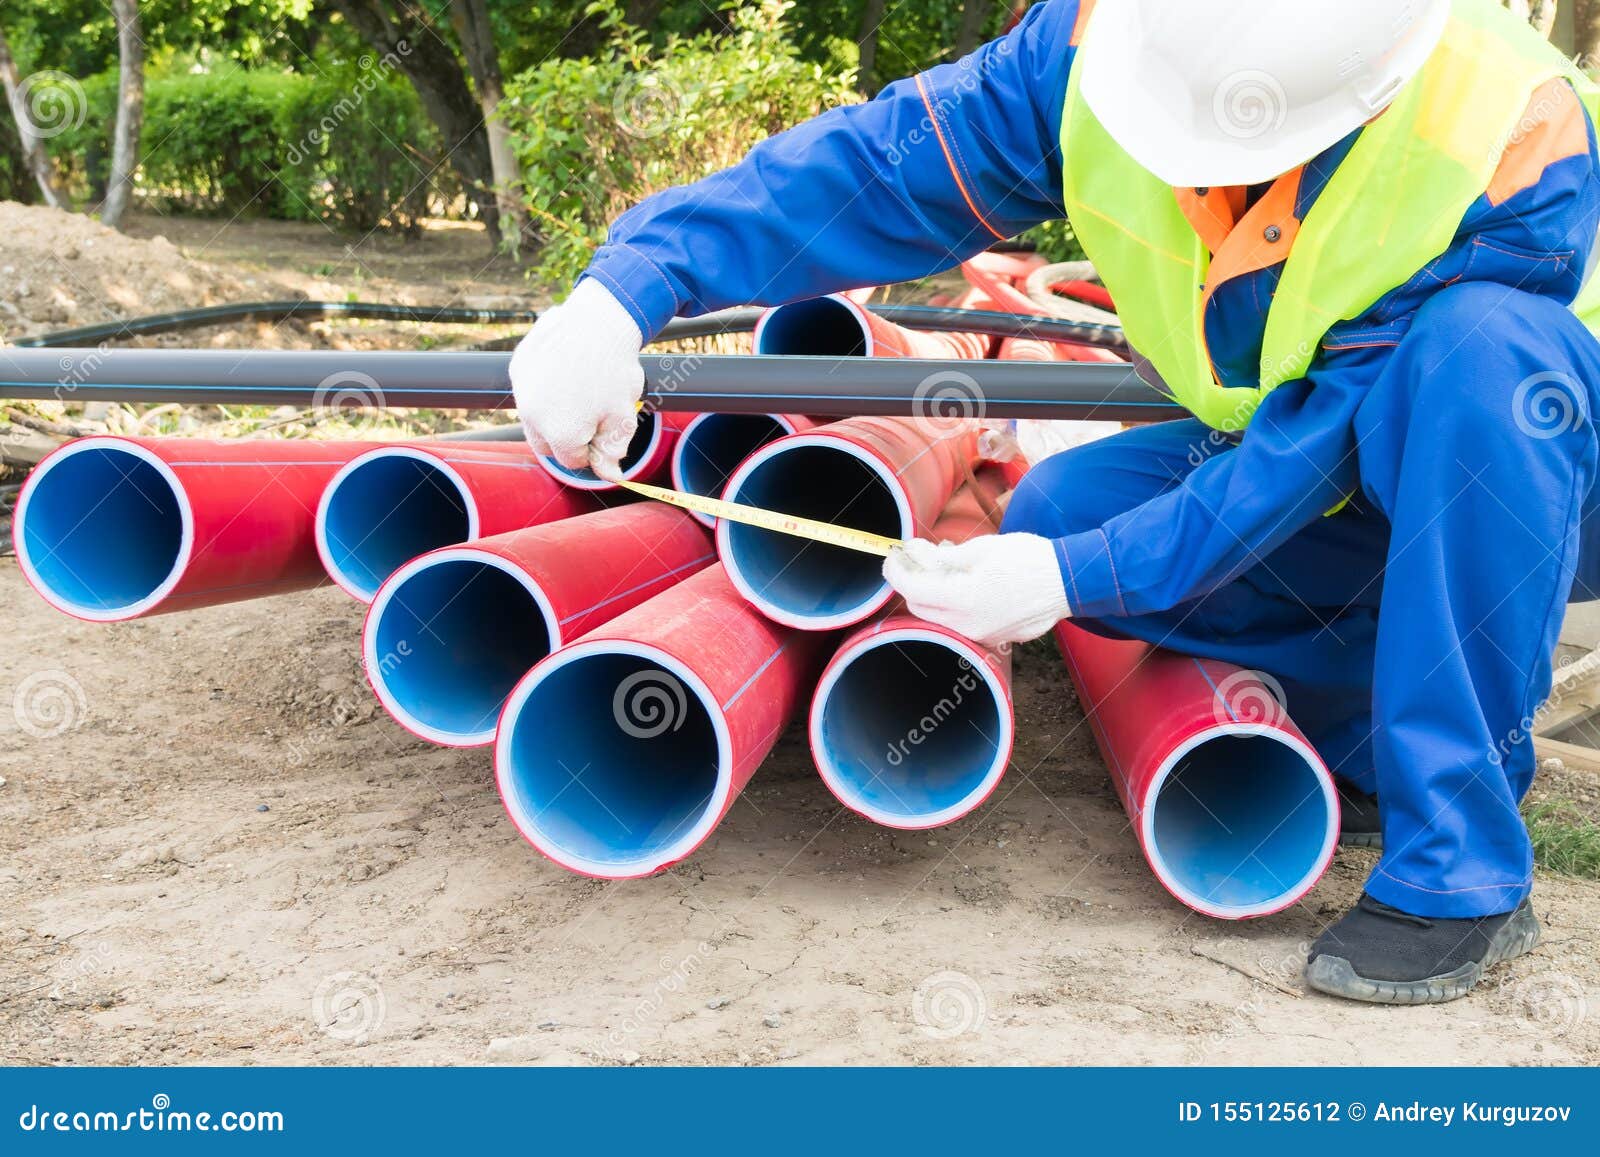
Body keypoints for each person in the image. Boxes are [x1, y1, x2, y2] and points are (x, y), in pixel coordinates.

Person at [512, 0, 1600, 1004]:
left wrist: (1075, 583)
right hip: (1327, 454)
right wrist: (628, 289)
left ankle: (1458, 865)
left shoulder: (1507, 128)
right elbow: (880, 168)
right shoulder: (1105, 44)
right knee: (1060, 520)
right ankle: (1374, 738)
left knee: (1481, 355)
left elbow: (1317, 452)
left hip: (1532, 470)